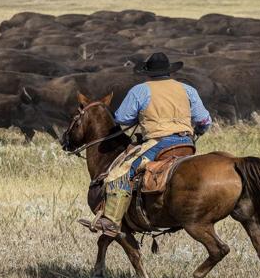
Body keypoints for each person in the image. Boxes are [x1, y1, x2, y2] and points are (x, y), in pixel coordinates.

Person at [79, 52, 212, 236]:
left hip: (159, 144)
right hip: (187, 144)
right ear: (169, 71)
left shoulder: (141, 90)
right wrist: (196, 132)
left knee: (118, 174)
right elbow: (205, 121)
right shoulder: (187, 89)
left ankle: (111, 220)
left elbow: (122, 118)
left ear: (148, 73)